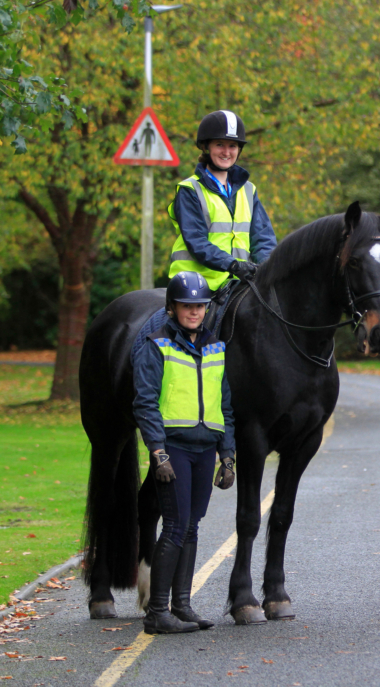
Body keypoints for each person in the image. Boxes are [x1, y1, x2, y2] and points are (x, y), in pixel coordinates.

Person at [133, 271, 238, 634]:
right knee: (176, 527)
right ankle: (157, 613)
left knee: (191, 527)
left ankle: (182, 605)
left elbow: (223, 406)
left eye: (199, 306)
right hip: (173, 449)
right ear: (173, 308)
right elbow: (145, 403)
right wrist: (158, 453)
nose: (194, 312)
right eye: (186, 306)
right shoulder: (157, 344)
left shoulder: (215, 347)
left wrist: (228, 455)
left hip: (205, 448)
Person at [167, 110, 277, 294]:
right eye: (220, 144)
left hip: (239, 285)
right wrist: (233, 265)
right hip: (195, 286)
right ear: (206, 147)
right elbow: (196, 241)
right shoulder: (189, 190)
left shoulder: (249, 190)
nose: (227, 152)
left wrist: (267, 268)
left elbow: (263, 239)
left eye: (232, 146)